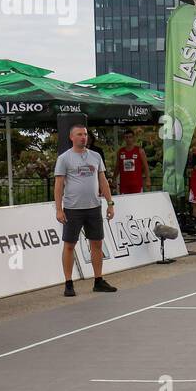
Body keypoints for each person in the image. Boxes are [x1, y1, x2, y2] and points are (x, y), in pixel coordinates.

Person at [54, 124, 117, 297]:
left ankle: (98, 280)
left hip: (93, 207)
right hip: (73, 208)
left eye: (85, 134)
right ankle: (68, 283)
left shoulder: (95, 156)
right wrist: (59, 209)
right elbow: (59, 185)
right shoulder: (64, 158)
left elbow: (103, 180)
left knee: (96, 243)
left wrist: (110, 203)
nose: (83, 137)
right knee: (69, 245)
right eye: (79, 134)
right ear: (72, 137)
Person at [115, 129, 149, 195]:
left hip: (137, 185)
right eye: (126, 137)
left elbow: (145, 166)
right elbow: (117, 167)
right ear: (124, 138)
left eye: (130, 137)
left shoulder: (139, 150)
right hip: (124, 185)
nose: (128, 139)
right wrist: (113, 179)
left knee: (138, 203)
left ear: (133, 138)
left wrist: (148, 179)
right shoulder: (120, 151)